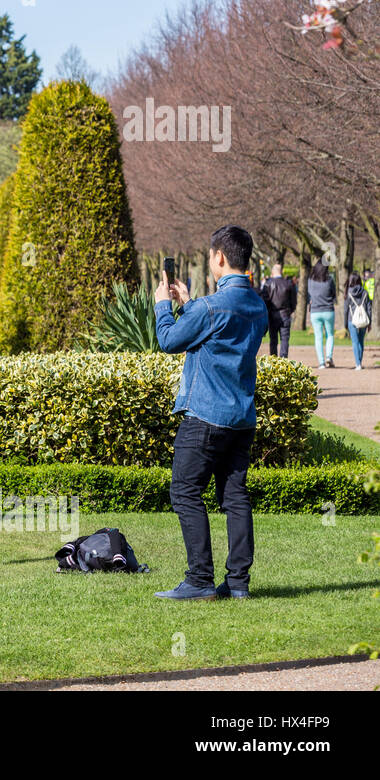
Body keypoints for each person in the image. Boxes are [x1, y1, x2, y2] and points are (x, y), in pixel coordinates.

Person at [153, 225, 267, 601]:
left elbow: (170, 340)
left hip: (205, 414)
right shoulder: (257, 305)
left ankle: (200, 578)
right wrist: (189, 305)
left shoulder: (210, 306)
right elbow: (219, 340)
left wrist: (163, 306)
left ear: (219, 257)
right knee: (235, 497)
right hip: (242, 416)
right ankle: (237, 583)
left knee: (184, 491)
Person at [258, 263, 297, 358]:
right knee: (285, 339)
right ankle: (283, 359)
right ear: (281, 271)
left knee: (273, 339)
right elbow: (294, 301)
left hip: (272, 315)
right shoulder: (288, 284)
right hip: (285, 314)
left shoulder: (268, 284)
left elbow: (264, 301)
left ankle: (273, 359)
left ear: (272, 272)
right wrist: (289, 311)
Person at [307, 260, 336, 369]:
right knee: (330, 335)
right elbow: (334, 294)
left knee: (318, 337)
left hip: (315, 311)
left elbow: (309, 294)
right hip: (328, 310)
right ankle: (329, 356)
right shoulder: (329, 280)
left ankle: (321, 362)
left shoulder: (310, 281)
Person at [345, 271, 371, 370]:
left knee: (355, 342)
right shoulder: (365, 292)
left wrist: (345, 324)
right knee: (361, 341)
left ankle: (358, 364)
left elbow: (345, 309)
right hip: (364, 320)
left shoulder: (349, 293)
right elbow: (369, 308)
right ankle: (359, 362)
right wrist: (370, 323)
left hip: (351, 320)